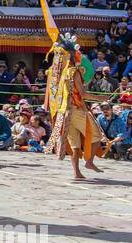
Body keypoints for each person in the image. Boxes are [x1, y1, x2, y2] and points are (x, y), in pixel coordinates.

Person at [44, 31, 105, 181]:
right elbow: (83, 94)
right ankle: (89, 162)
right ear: (73, 55)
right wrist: (101, 98)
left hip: (65, 112)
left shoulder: (61, 74)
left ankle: (77, 172)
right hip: (76, 111)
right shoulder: (74, 72)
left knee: (75, 144)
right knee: (97, 135)